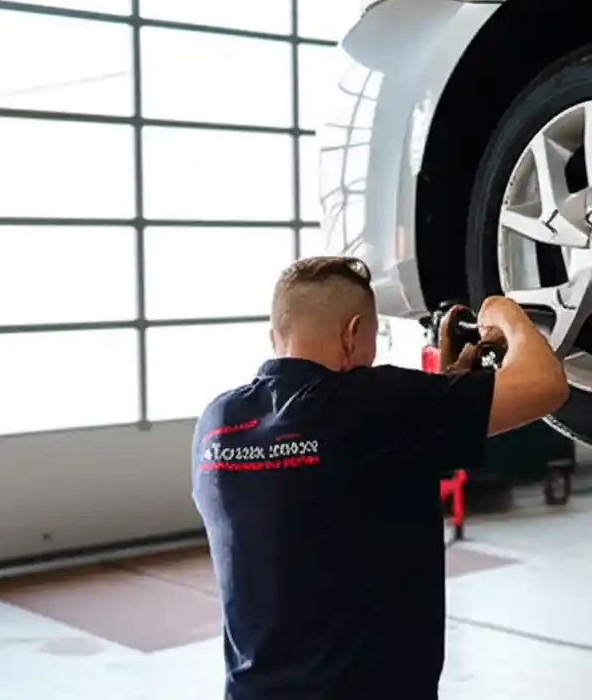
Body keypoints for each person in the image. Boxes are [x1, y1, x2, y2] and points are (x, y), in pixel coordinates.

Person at [190, 256, 568, 700]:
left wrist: (447, 393)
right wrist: (502, 311)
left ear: (275, 335)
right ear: (353, 334)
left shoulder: (216, 424)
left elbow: (349, 477)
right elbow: (545, 383)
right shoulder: (370, 404)